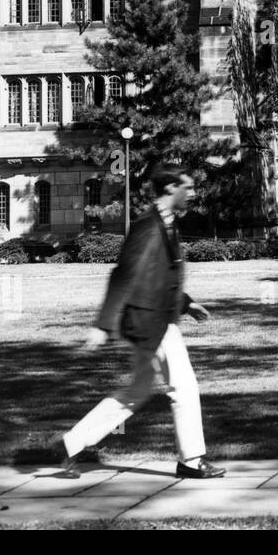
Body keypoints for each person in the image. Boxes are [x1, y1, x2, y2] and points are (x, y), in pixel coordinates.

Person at [51, 166, 226, 478]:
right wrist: (103, 325)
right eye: (189, 187)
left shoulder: (166, 223)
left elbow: (158, 275)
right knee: (184, 387)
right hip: (151, 321)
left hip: (154, 318)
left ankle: (70, 445)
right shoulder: (148, 226)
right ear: (172, 188)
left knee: (137, 391)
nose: (194, 193)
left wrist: (186, 304)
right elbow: (124, 274)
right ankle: (192, 460)